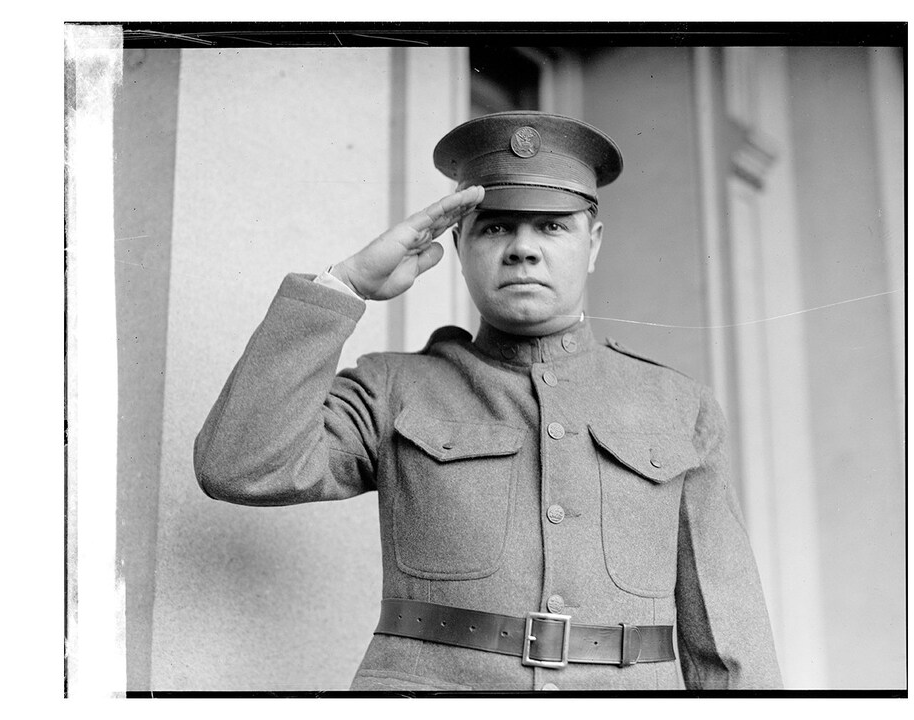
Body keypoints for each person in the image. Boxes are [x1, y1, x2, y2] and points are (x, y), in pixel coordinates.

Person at [194, 111, 783, 692]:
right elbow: (240, 465)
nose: (522, 249)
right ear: (458, 242)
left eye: (552, 226)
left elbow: (728, 634)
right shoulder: (392, 389)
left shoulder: (678, 407)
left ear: (593, 242)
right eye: (496, 227)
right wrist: (344, 286)